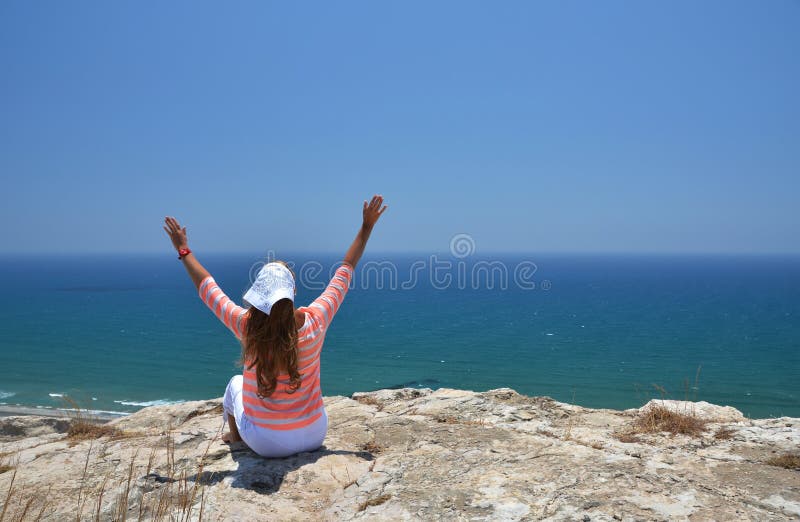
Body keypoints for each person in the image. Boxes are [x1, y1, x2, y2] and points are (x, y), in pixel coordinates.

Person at [163, 195, 387, 457]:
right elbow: (346, 268)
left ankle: (237, 439)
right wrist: (367, 226)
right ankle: (247, 435)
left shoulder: (247, 326)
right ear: (293, 291)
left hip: (269, 444)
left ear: (258, 295)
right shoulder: (317, 319)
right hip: (315, 433)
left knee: (235, 383)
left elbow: (207, 288)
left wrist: (183, 249)